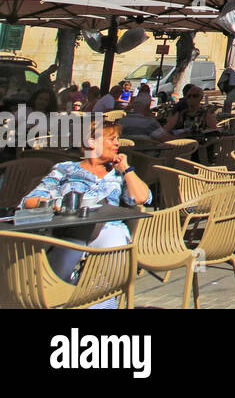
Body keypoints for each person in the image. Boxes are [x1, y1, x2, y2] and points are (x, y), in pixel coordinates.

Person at [21, 115, 151, 308]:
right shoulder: (65, 169)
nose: (117, 143)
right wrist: (56, 203)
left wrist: (126, 169)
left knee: (114, 244)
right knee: (66, 253)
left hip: (107, 228)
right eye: (111, 138)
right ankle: (57, 297)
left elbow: (142, 198)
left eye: (117, 139)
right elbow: (28, 201)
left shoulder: (118, 174)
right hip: (69, 229)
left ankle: (97, 304)